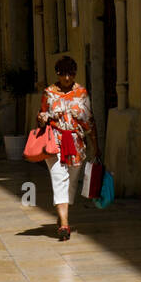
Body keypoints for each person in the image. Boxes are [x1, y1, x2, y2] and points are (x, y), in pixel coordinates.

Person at [37, 54, 99, 240]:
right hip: (54, 142)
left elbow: (89, 120)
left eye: (70, 74)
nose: (66, 78)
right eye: (63, 74)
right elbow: (41, 115)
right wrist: (42, 118)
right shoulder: (48, 93)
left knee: (71, 182)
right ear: (57, 73)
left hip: (77, 143)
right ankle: (64, 224)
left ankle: (62, 214)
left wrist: (96, 145)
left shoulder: (82, 93)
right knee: (59, 179)